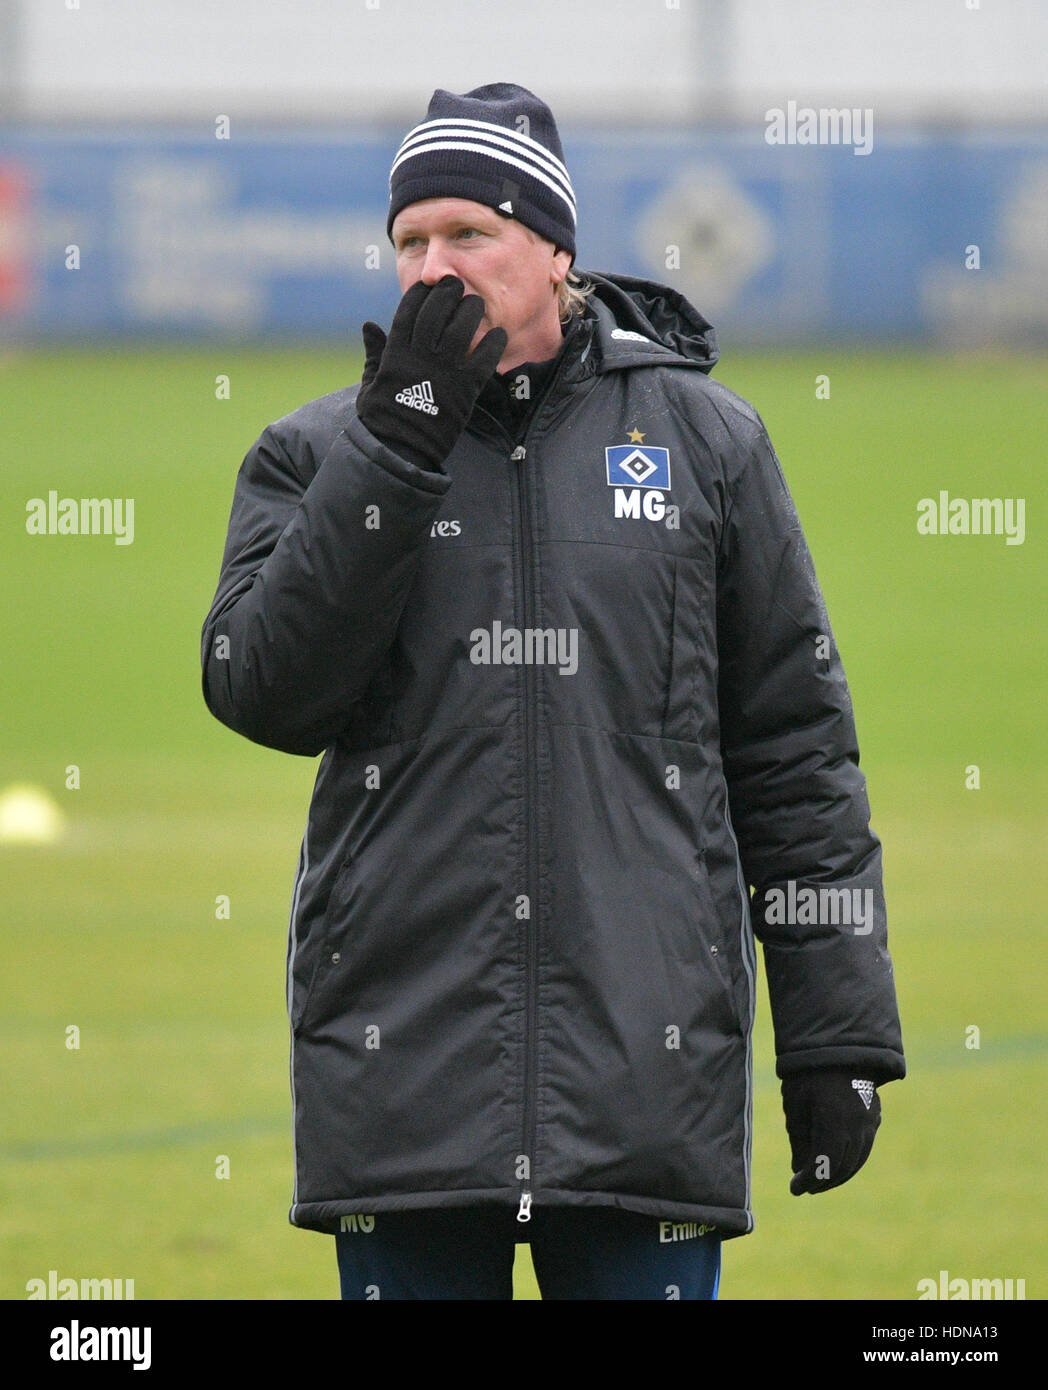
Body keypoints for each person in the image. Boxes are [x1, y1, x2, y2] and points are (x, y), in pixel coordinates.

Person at [200, 82, 905, 1301]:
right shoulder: (317, 451)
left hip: (643, 1073)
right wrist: (399, 442)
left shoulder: (708, 444)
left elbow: (795, 755)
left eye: (469, 234)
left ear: (556, 249)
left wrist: (834, 1034)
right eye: (410, 242)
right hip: (406, 1071)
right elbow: (264, 689)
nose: (434, 267)